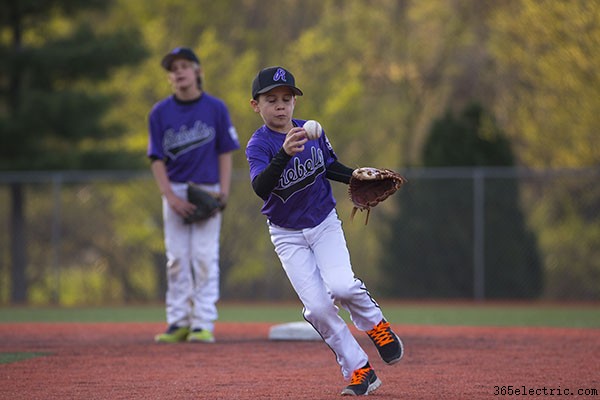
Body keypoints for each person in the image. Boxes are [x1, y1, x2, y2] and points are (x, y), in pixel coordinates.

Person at [245, 66, 404, 396]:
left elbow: (329, 167)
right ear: (255, 105)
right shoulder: (258, 145)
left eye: (286, 99)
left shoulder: (311, 131)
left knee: (342, 286)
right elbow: (261, 187)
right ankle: (360, 370)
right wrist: (284, 154)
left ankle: (377, 325)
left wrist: (357, 177)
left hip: (323, 224)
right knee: (317, 309)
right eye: (271, 99)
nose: (280, 106)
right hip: (287, 235)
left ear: (294, 103)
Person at [147, 47, 240, 343]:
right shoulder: (160, 112)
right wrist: (170, 198)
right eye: (173, 68)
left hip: (208, 187)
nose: (179, 71)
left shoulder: (215, 108)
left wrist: (223, 193)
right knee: (176, 258)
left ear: (198, 70)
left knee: (203, 257)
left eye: (185, 65)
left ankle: (202, 323)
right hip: (174, 189)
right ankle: (178, 322)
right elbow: (156, 158)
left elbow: (226, 151)